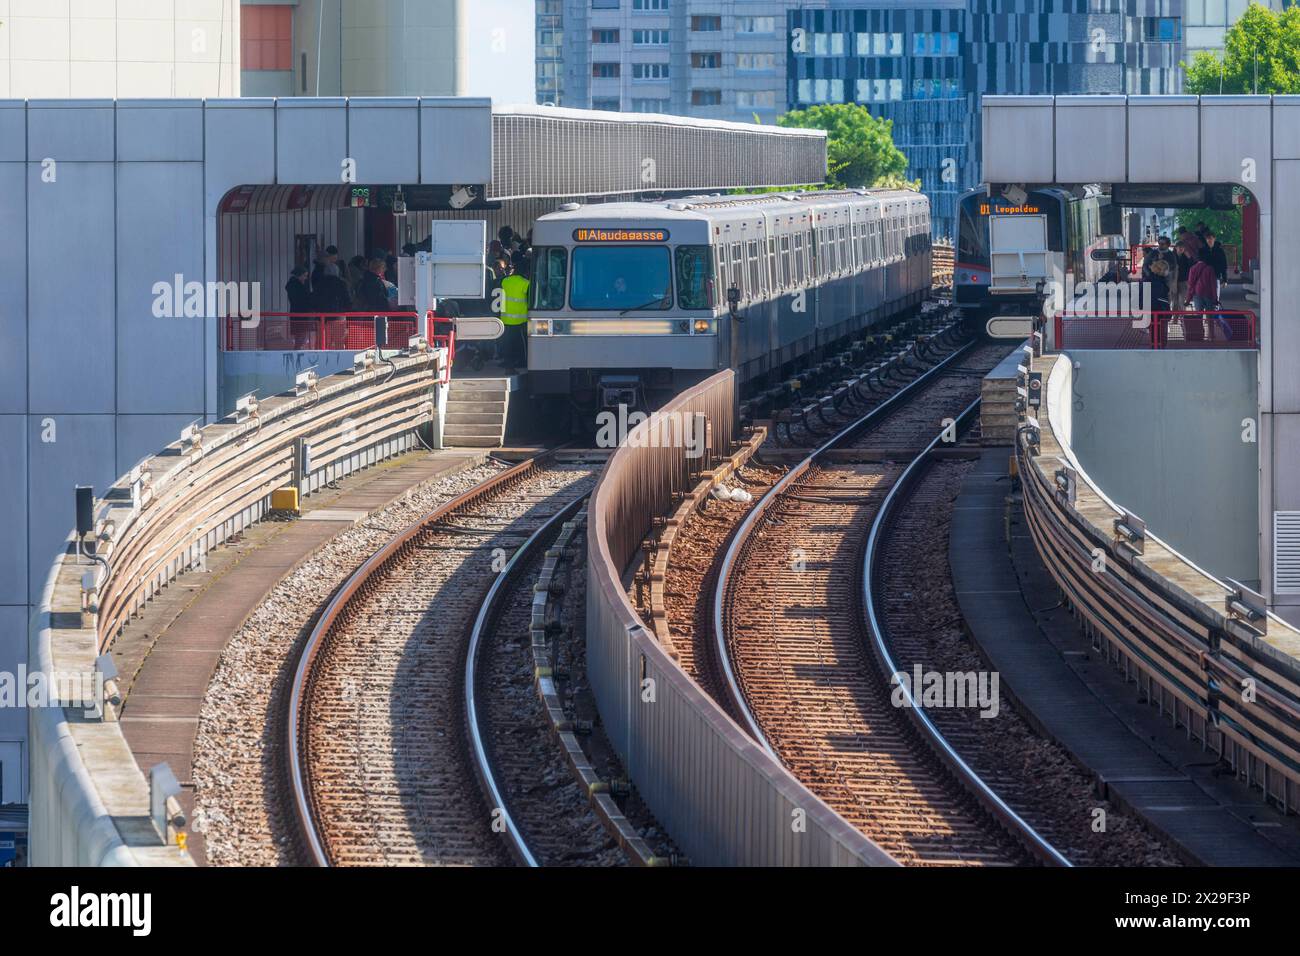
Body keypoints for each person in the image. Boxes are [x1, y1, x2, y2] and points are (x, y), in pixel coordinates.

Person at [499, 252, 531, 370]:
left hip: (505, 319)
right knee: (520, 344)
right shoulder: (526, 283)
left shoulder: (505, 281)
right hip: (520, 320)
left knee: (507, 343)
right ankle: (521, 362)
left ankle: (508, 362)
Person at [1186, 246, 1219, 342]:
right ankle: (1211, 336)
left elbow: (1190, 285)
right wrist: (1215, 298)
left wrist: (1188, 299)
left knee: (1198, 316)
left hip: (1197, 295)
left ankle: (1199, 335)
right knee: (1210, 317)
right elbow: (1213, 285)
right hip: (1208, 295)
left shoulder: (1193, 268)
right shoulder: (1210, 269)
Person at [1204, 230, 1229, 294]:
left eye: (1211, 238)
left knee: (1215, 299)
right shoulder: (1202, 250)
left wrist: (1225, 280)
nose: (1209, 240)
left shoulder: (1220, 251)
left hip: (1215, 276)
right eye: (1207, 239)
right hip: (1204, 278)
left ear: (1214, 239)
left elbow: (1224, 265)